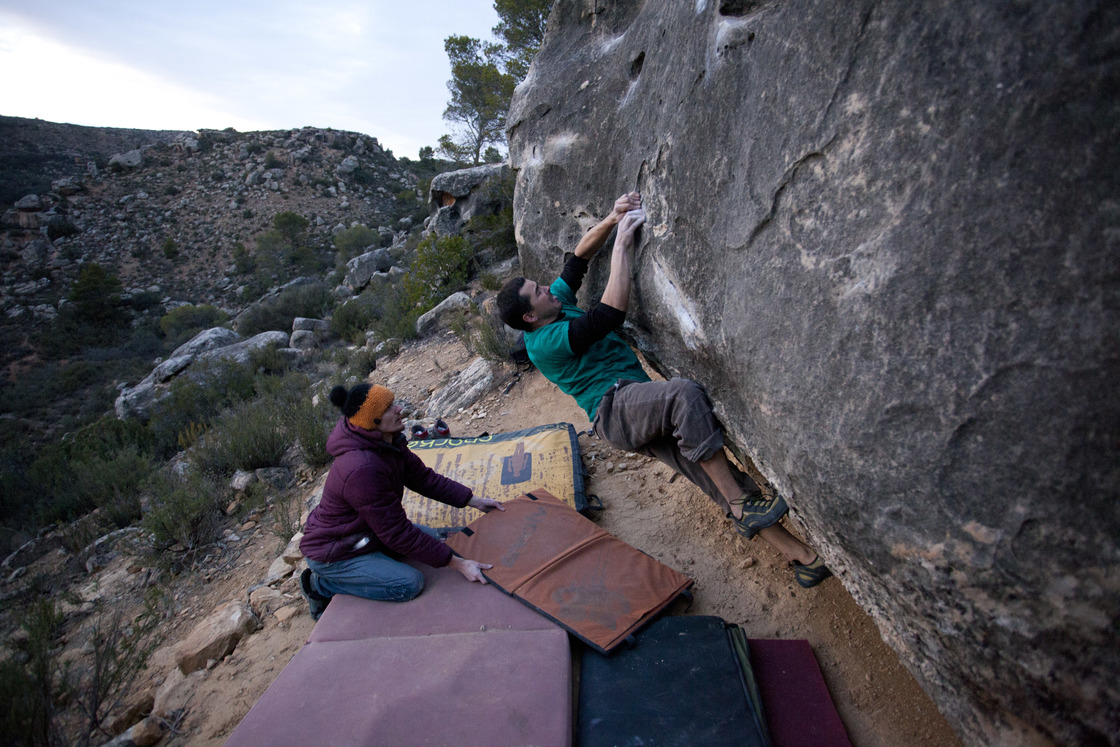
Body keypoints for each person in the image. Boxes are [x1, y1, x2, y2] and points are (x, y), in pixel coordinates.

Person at [496, 192, 831, 588]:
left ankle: (804, 559)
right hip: (615, 410)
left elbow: (578, 259)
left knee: (711, 475)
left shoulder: (554, 304)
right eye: (539, 291)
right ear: (530, 316)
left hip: (633, 403)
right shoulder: (544, 343)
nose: (548, 288)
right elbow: (607, 316)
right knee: (682, 396)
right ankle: (742, 504)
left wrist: (612, 218)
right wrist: (621, 244)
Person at [298, 382, 503, 619]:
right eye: (388, 408)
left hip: (367, 534)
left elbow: (424, 479)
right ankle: (320, 584)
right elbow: (397, 533)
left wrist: (473, 500)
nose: (398, 409)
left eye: (393, 403)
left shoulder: (387, 442)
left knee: (441, 542)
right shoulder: (361, 469)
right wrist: (458, 564)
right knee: (409, 584)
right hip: (338, 551)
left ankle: (378, 561)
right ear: (373, 421)